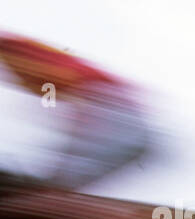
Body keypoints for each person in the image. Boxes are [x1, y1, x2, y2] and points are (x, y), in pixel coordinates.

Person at [0, 32, 154, 192]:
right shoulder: (13, 52)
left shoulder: (12, 51)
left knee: (63, 182)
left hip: (108, 105)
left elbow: (64, 82)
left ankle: (51, 194)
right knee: (66, 180)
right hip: (118, 111)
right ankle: (54, 193)